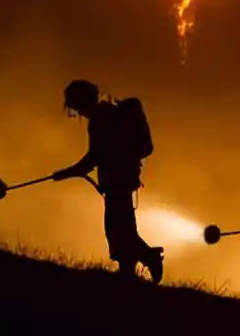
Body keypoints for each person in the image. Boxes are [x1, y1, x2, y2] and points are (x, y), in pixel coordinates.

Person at [52, 79, 164, 284]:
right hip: (121, 178)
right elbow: (99, 154)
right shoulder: (107, 114)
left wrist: (69, 172)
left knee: (118, 229)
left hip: (117, 180)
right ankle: (128, 274)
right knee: (122, 228)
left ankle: (149, 258)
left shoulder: (100, 119)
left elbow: (96, 154)